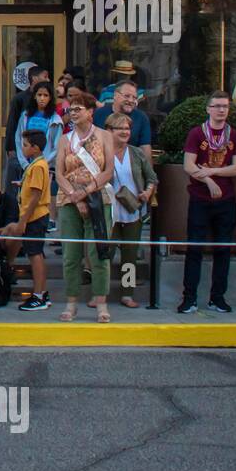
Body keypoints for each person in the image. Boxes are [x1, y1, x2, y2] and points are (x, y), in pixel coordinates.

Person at [180, 91, 236, 314]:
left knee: (223, 250)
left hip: (226, 201)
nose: (221, 110)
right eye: (216, 106)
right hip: (199, 198)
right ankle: (189, 298)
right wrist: (208, 180)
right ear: (208, 109)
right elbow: (189, 165)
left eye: (225, 106)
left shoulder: (234, 135)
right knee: (195, 249)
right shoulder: (197, 134)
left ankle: (217, 298)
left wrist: (212, 170)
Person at [54, 91, 115, 323]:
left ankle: (101, 303)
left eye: (78, 109)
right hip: (69, 200)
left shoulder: (104, 136)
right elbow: (59, 173)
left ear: (90, 112)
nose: (73, 113)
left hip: (99, 198)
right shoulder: (64, 139)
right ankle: (71, 303)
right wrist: (75, 196)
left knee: (98, 253)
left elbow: (108, 170)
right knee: (71, 254)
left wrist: (87, 191)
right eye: (71, 109)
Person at [103, 112, 157, 309]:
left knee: (130, 255)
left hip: (132, 211)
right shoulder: (101, 152)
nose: (125, 132)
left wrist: (148, 191)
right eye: (120, 128)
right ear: (109, 131)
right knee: (105, 254)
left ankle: (127, 293)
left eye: (127, 128)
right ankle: (100, 293)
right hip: (109, 212)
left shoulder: (136, 153)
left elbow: (152, 178)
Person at [5, 130, 52, 310]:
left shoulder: (39, 166)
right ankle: (41, 293)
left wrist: (23, 221)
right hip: (33, 216)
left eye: (25, 145)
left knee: (35, 255)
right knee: (35, 253)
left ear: (35, 148)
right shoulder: (35, 165)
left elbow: (35, 195)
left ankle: (39, 295)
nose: (22, 149)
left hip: (35, 217)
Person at [13, 81, 63, 226]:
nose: (42, 98)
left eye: (45, 95)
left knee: (41, 193)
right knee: (26, 192)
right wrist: (23, 162)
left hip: (44, 164)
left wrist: (43, 161)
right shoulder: (26, 116)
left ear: (50, 98)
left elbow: (56, 145)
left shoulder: (55, 119)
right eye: (39, 95)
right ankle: (25, 218)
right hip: (27, 163)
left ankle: (48, 220)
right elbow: (18, 139)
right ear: (34, 96)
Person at [4, 63, 49, 183]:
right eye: (45, 77)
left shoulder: (49, 102)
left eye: (45, 96)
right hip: (21, 148)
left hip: (42, 151)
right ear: (34, 79)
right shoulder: (20, 99)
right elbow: (12, 124)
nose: (48, 80)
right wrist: (11, 148)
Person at [93, 81, 152, 160]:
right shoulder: (99, 114)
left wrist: (148, 171)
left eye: (134, 97)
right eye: (127, 96)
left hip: (131, 166)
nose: (131, 100)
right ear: (115, 95)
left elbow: (145, 147)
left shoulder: (141, 118)